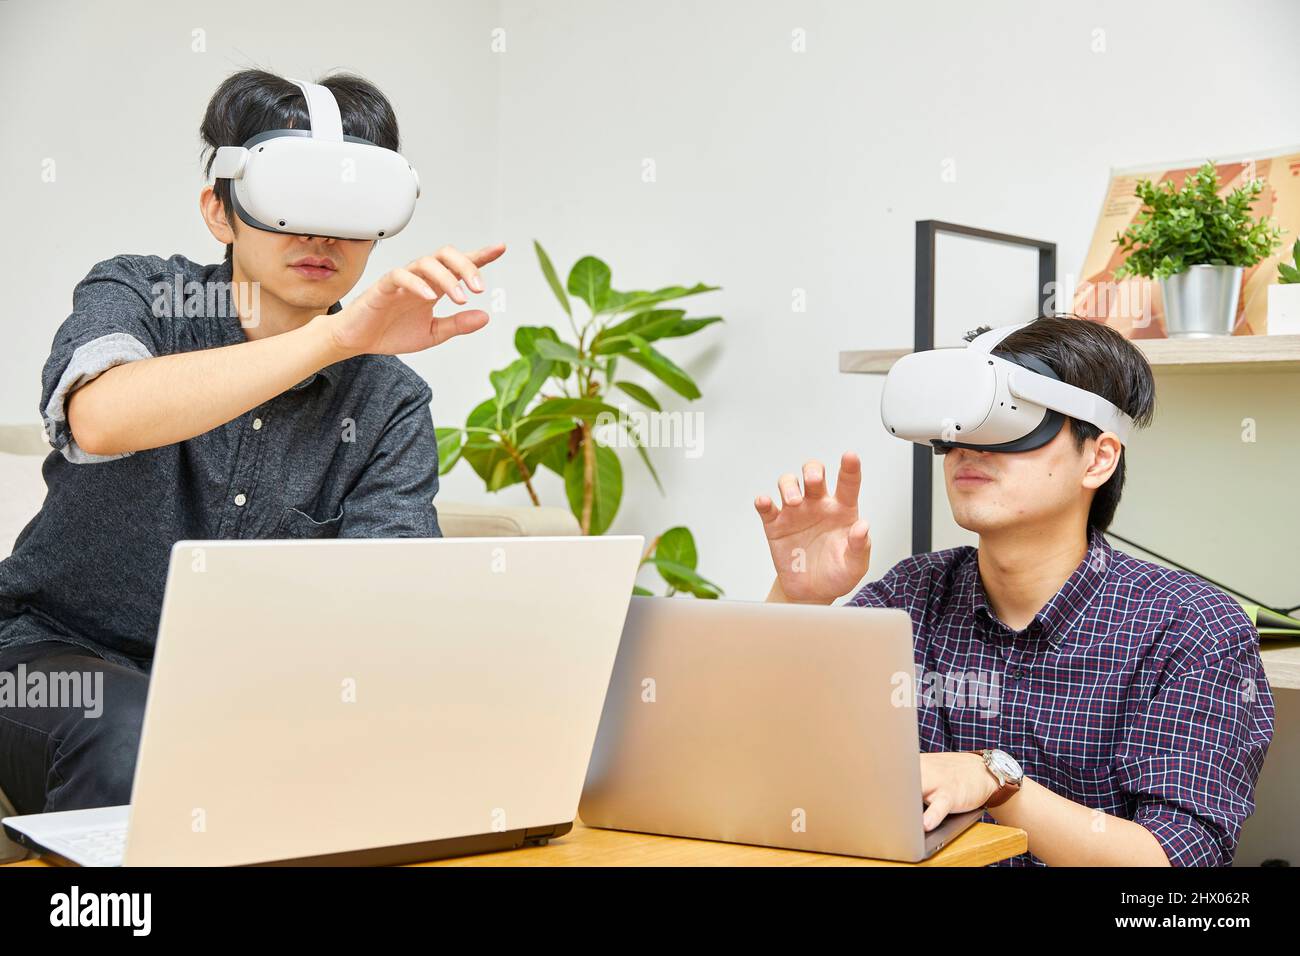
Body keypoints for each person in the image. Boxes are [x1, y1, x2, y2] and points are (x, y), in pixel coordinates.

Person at [0, 70, 501, 815]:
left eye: (348, 208)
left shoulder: (390, 400)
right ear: (220, 211)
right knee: (135, 734)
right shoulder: (140, 294)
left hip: (253, 688)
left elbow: (388, 596)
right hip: (54, 656)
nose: (320, 235)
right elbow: (100, 418)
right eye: (290, 201)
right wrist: (337, 337)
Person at [755, 316, 1274, 866]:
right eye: (963, 424)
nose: (969, 448)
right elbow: (768, 755)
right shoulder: (909, 596)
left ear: (1098, 457)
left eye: (1009, 421)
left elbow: (1176, 865)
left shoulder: (1191, 626)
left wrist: (998, 783)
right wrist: (798, 598)